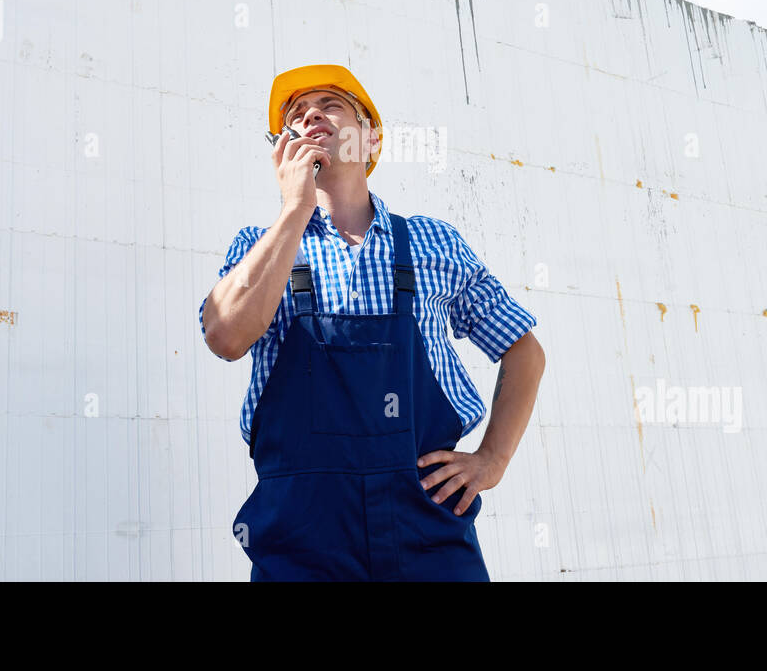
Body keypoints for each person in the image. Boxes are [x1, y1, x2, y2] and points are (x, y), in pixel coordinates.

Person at [199, 63, 546, 580]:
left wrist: (492, 458)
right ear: (283, 148)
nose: (311, 113)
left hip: (427, 533)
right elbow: (225, 337)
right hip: (300, 539)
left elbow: (524, 351)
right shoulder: (258, 248)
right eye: (295, 113)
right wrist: (294, 210)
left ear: (371, 137)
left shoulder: (434, 243)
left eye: (331, 104)